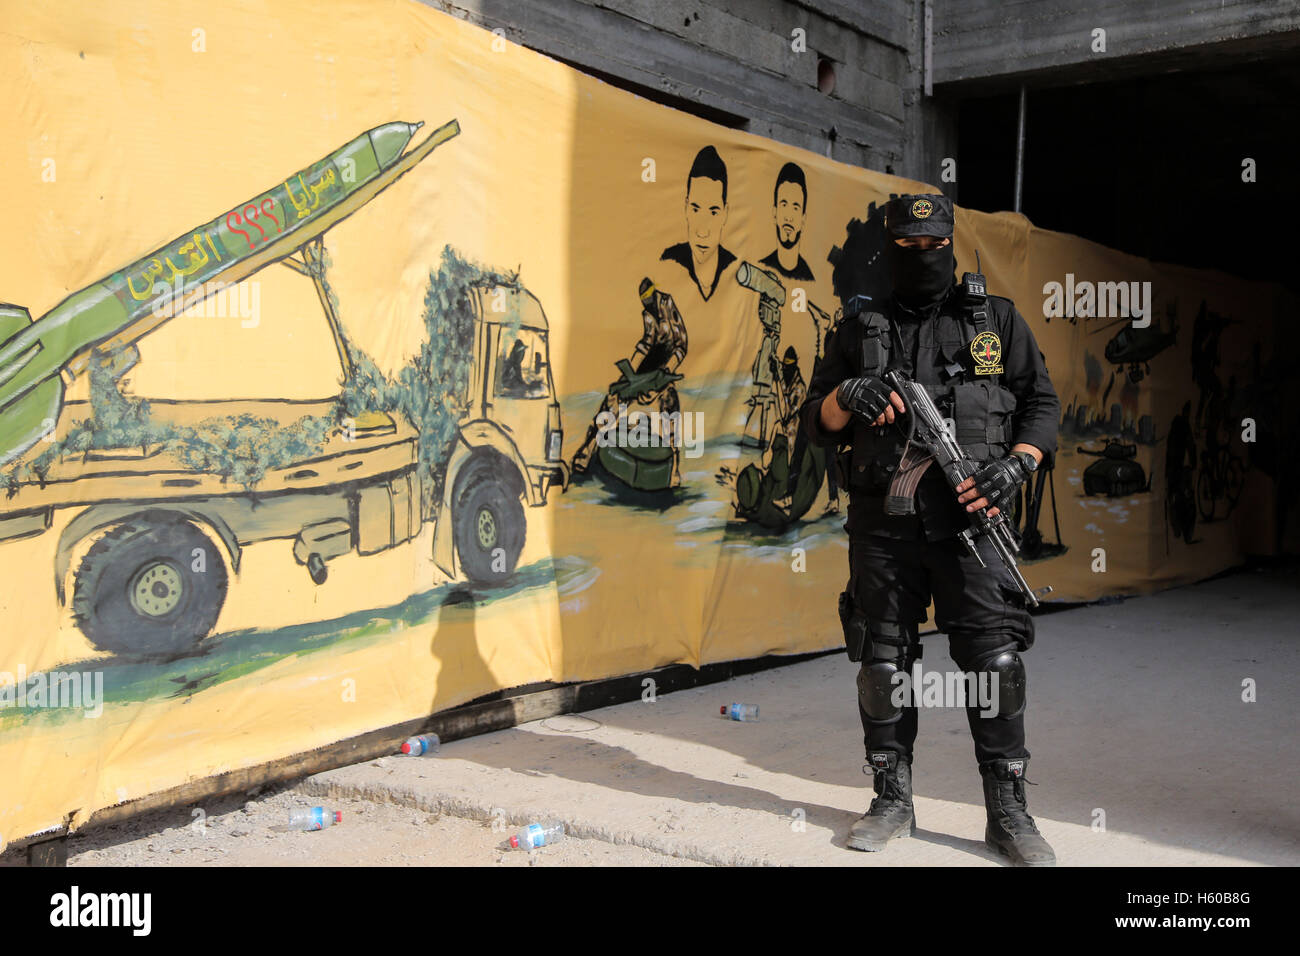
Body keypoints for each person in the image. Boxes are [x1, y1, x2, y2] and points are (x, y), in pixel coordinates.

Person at [799, 194, 1062, 865]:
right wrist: (843, 397)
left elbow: (1041, 402)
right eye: (908, 247)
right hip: (884, 525)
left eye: (934, 246)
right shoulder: (862, 327)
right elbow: (812, 420)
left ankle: (1008, 811)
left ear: (952, 242)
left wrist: (1017, 465)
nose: (923, 258)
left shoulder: (994, 320)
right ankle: (891, 800)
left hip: (972, 520)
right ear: (889, 247)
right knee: (883, 656)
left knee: (994, 662)